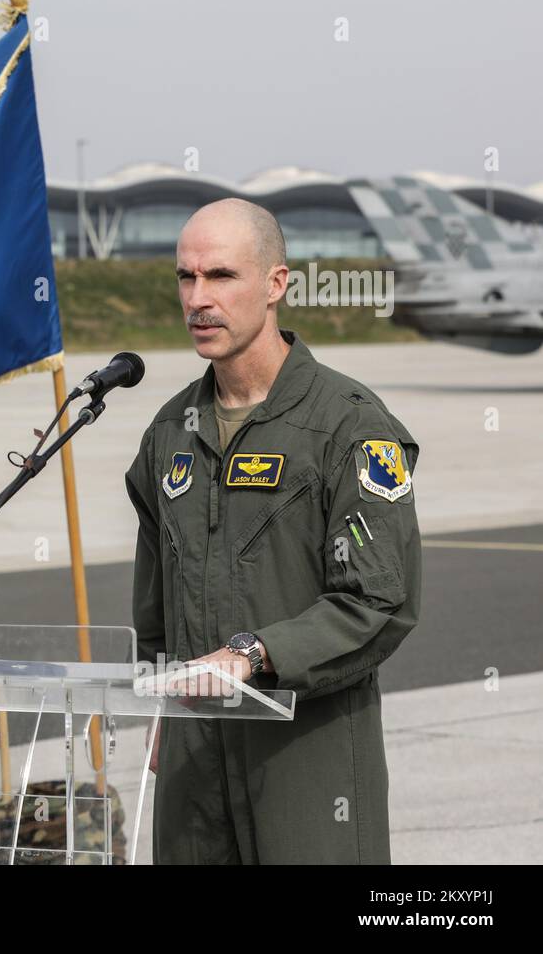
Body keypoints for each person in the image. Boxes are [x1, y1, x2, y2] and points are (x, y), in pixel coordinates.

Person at [125, 198, 421, 864]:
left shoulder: (349, 427)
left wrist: (256, 654)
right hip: (193, 758)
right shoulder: (170, 434)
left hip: (301, 750)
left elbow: (379, 602)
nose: (199, 298)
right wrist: (156, 700)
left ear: (276, 285)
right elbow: (153, 606)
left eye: (221, 276)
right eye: (186, 277)